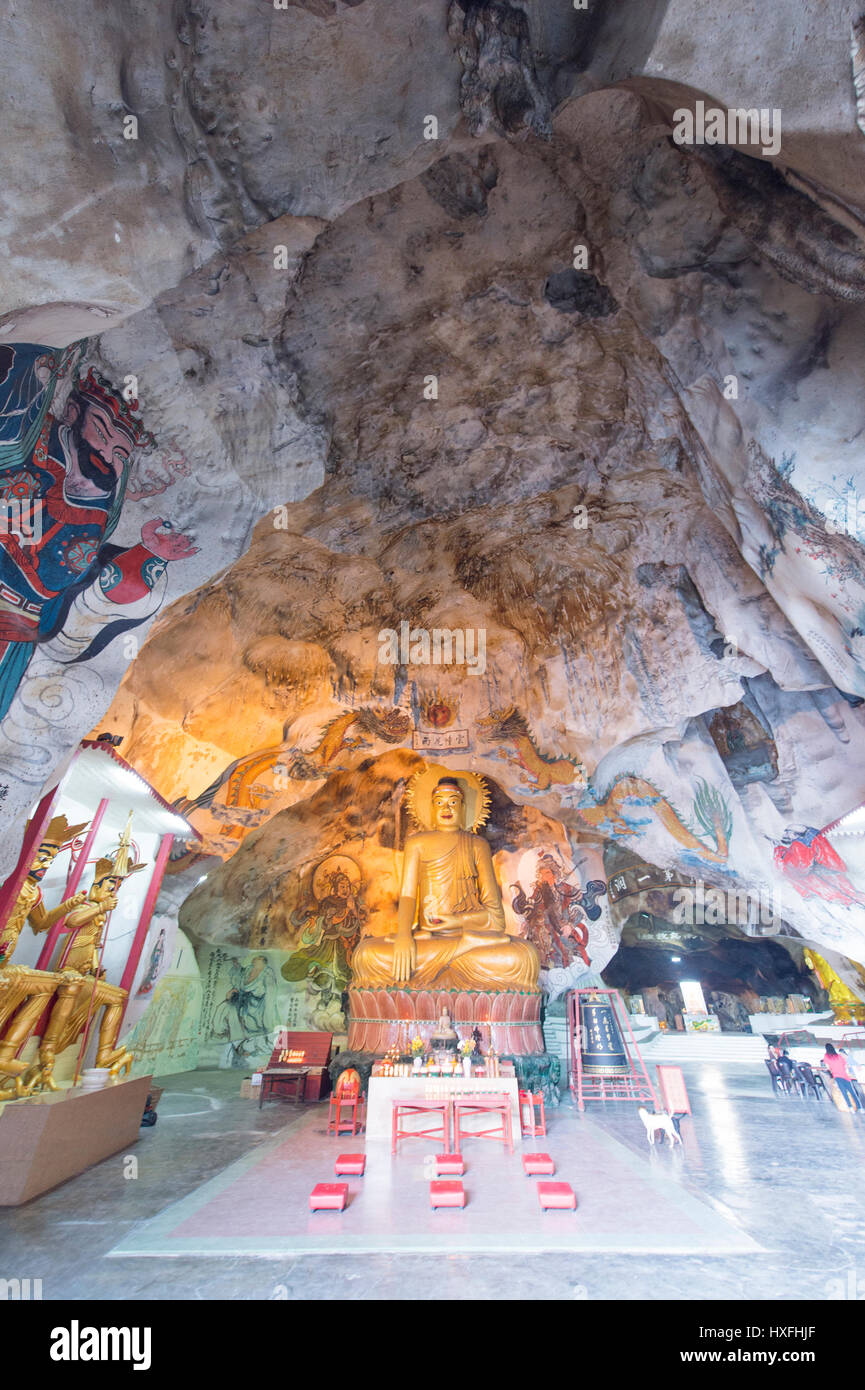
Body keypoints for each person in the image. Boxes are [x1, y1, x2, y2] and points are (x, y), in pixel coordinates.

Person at [822, 1043, 861, 1112]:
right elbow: (846, 1066)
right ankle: (861, 1108)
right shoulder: (839, 1056)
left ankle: (851, 1108)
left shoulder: (826, 1056)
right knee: (852, 1092)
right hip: (845, 1076)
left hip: (837, 1077)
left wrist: (831, 1069)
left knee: (844, 1092)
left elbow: (827, 1067)